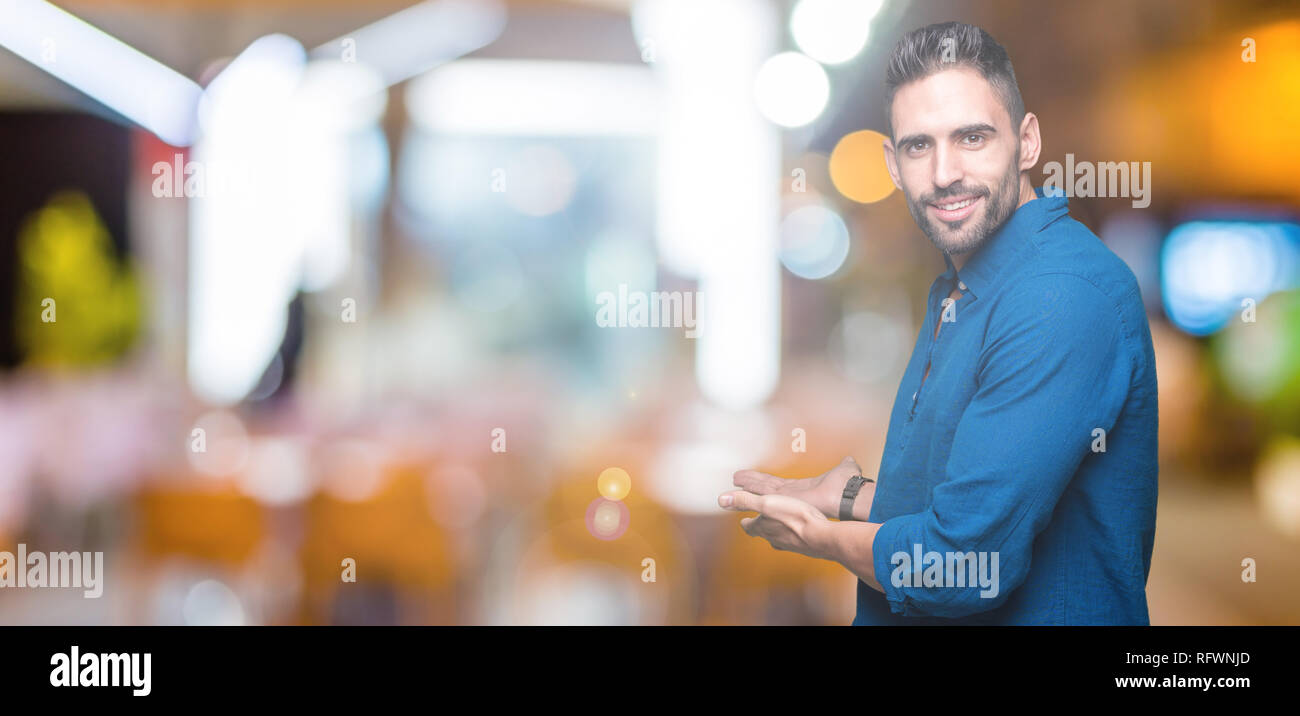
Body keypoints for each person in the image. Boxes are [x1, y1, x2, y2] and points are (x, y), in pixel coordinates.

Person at [719, 21, 1158, 625]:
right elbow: (974, 497)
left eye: (972, 137)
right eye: (919, 145)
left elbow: (964, 562)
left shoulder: (1059, 297)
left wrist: (819, 538)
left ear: (1027, 142)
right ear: (892, 164)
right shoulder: (968, 282)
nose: (945, 172)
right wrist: (848, 499)